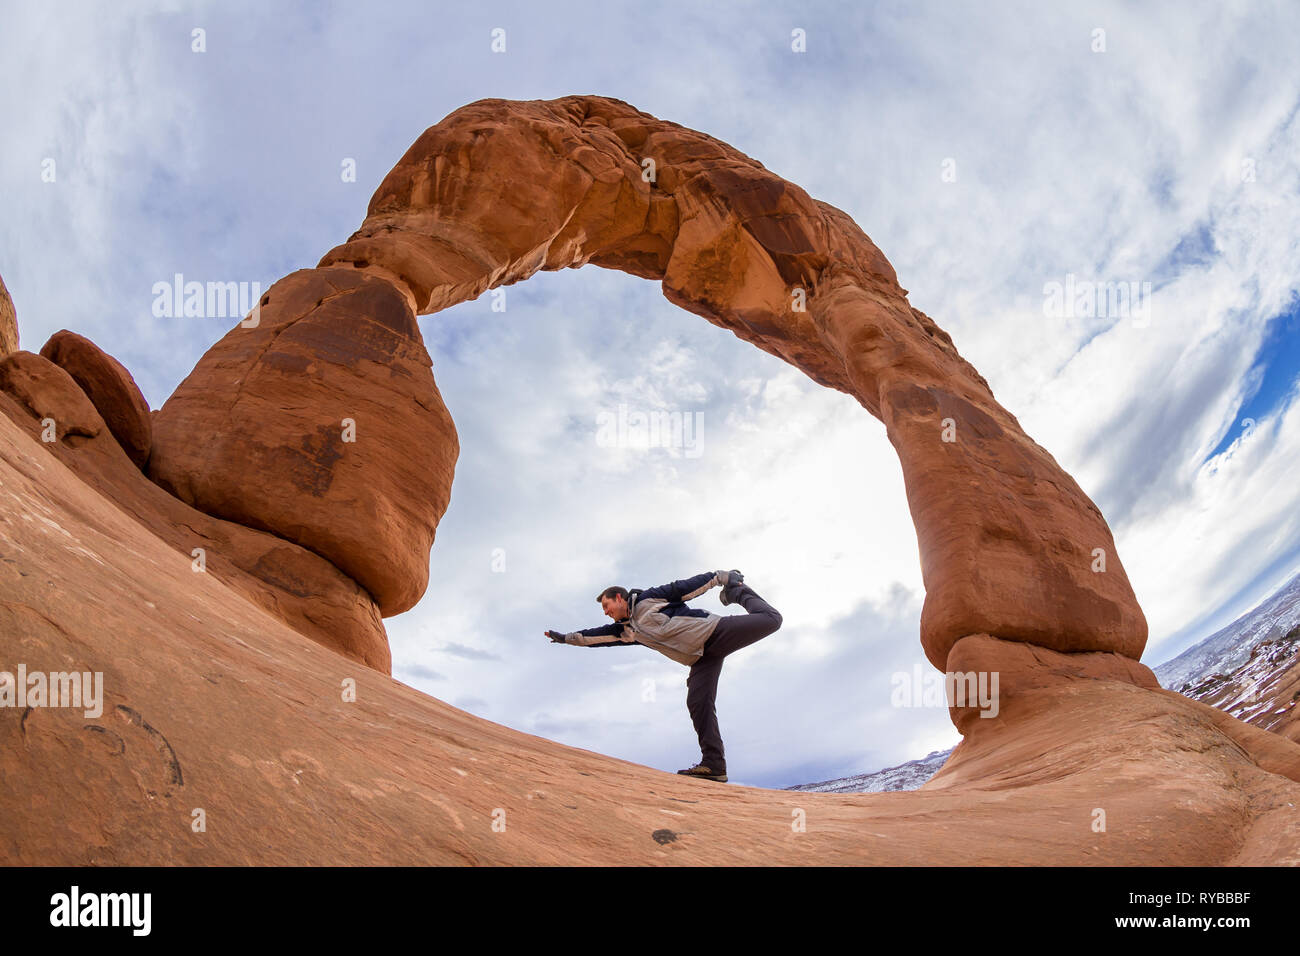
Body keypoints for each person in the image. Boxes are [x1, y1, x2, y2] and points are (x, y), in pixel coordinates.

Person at [544, 569, 782, 783]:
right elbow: (595, 638)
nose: (605, 613)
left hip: (713, 632)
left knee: (771, 620)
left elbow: (683, 587)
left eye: (606, 606)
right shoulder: (627, 630)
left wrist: (721, 578)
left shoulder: (650, 599)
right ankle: (714, 765)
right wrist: (565, 638)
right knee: (698, 703)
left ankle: (738, 594)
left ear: (619, 598)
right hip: (700, 659)